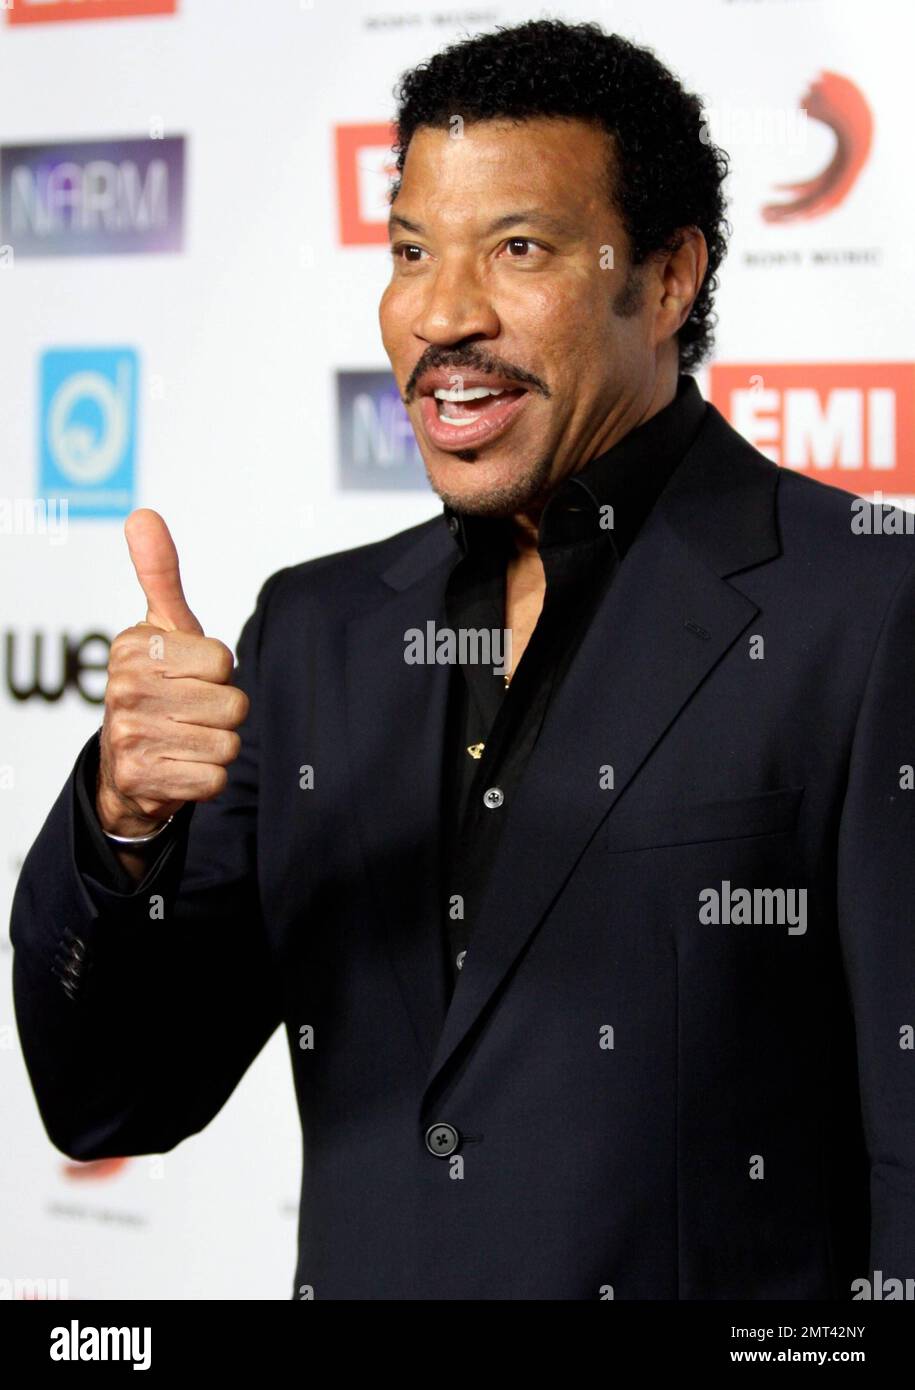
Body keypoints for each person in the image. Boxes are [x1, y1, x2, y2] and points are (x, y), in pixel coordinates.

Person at [11, 18, 915, 1300]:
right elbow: (109, 1097)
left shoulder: (870, 607)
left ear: (664, 280)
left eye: (519, 249)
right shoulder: (314, 634)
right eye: (411, 252)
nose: (441, 312)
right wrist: (123, 825)